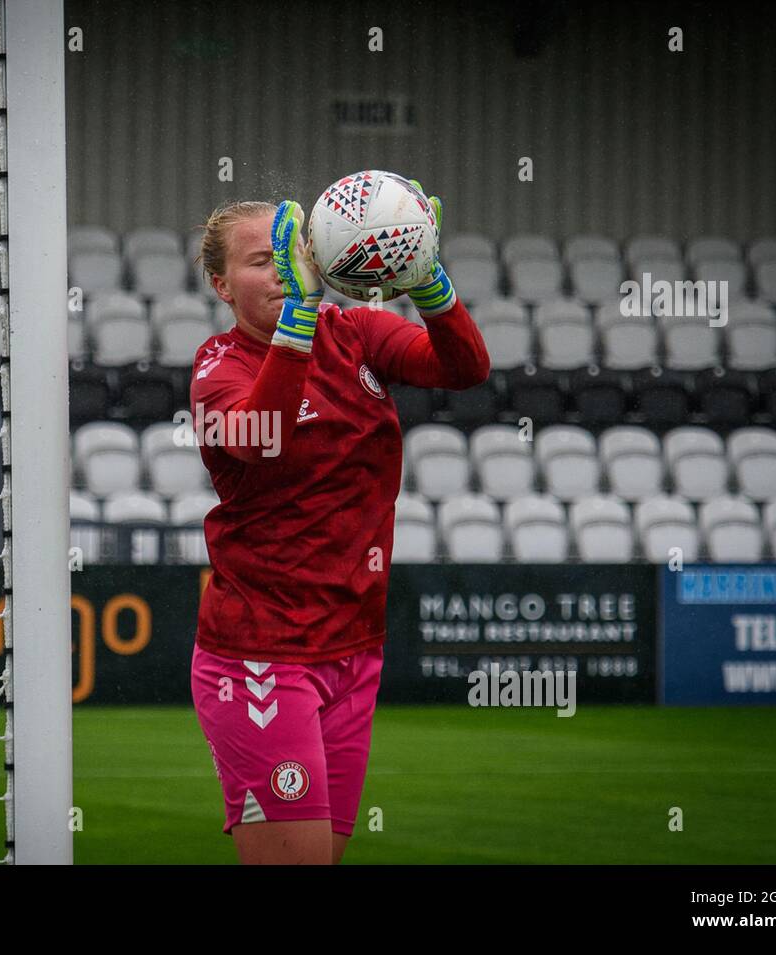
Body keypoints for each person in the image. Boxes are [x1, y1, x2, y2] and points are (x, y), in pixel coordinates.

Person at [187, 186, 491, 864]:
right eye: (260, 261)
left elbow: (466, 368)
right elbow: (262, 439)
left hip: (354, 649)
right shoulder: (218, 368)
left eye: (289, 255)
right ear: (221, 285)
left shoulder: (359, 334)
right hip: (263, 656)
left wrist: (427, 281)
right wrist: (298, 321)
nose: (280, 272)